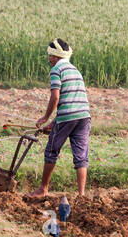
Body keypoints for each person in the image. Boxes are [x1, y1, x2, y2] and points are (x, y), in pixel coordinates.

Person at [29, 38, 90, 199]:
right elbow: (71, 100)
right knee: (81, 155)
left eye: (50, 56)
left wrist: (45, 117)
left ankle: (43, 188)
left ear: (55, 56)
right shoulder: (75, 70)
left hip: (68, 116)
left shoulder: (56, 70)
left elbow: (56, 97)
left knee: (51, 150)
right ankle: (82, 194)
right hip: (84, 116)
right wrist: (53, 123)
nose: (49, 59)